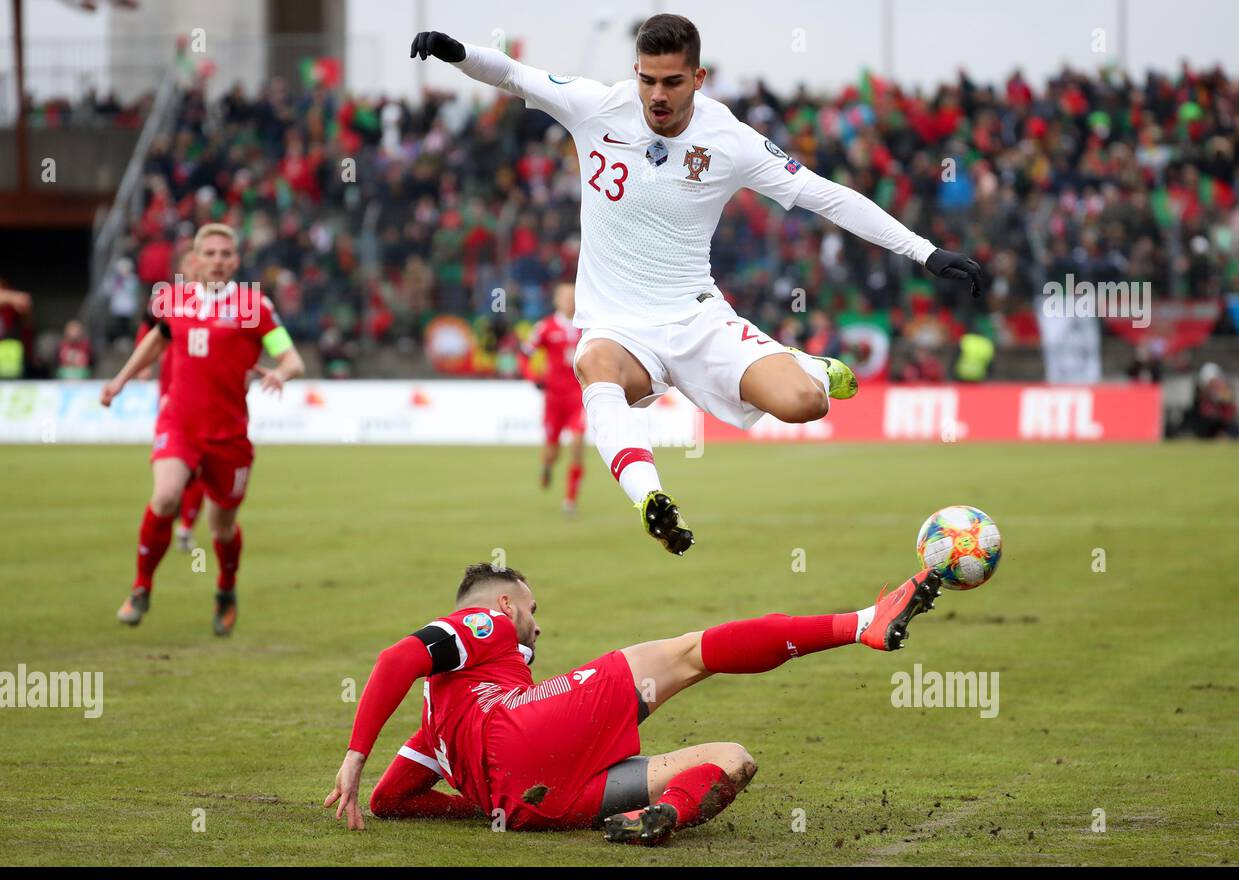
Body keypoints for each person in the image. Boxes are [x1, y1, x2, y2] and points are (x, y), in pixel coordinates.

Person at [411, 15, 986, 555]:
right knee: (594, 366)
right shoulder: (596, 107)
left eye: (672, 81)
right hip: (616, 325)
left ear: (698, 78)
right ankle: (650, 498)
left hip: (696, 319)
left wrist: (924, 251)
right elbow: (512, 74)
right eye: (647, 79)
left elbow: (825, 195)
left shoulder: (730, 140)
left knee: (804, 405)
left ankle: (809, 368)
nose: (656, 95)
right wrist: (456, 52)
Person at [326, 562, 943, 845]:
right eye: (532, 611)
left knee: (732, 758)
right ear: (505, 605)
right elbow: (395, 660)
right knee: (690, 654)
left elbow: (391, 802)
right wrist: (355, 755)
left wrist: (490, 807)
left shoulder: (437, 723)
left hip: (536, 804)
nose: (537, 628)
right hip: (522, 728)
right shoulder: (483, 621)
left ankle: (660, 816)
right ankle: (860, 622)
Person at [101, 223, 305, 635]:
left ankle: (226, 589)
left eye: (224, 254)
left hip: (228, 436)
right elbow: (159, 340)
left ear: (236, 260)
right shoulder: (173, 299)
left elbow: (292, 358)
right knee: (165, 496)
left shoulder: (254, 306)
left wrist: (282, 372)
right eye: (208, 253)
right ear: (194, 259)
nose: (217, 261)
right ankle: (141, 588)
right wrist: (121, 379)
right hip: (180, 423)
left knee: (221, 528)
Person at [136, 245, 208, 553]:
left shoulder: (223, 303)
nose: (196, 270)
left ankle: (186, 526)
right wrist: (143, 365)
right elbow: (148, 330)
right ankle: (172, 509)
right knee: (176, 466)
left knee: (202, 468)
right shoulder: (169, 302)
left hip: (210, 397)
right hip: (173, 395)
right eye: (190, 266)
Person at [520, 282, 585, 514]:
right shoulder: (545, 327)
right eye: (566, 297)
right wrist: (533, 377)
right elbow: (524, 354)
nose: (570, 301)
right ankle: (547, 466)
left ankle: (570, 500)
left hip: (578, 397)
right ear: (557, 301)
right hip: (553, 399)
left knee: (577, 443)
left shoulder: (586, 327)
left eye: (573, 296)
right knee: (552, 451)